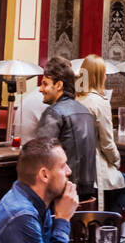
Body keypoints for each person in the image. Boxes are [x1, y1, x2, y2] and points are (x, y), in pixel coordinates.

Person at [76, 54, 125, 214]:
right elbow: (107, 143)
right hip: (95, 170)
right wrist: (117, 161)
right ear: (100, 76)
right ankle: (114, 222)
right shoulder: (100, 103)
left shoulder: (75, 99)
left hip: (75, 169)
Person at [36, 56, 97, 202]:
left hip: (61, 192)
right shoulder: (84, 110)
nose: (40, 89)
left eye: (45, 84)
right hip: (87, 191)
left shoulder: (54, 112)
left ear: (58, 86)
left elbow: (40, 155)